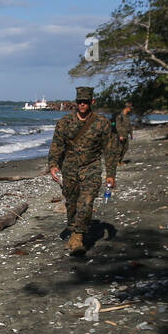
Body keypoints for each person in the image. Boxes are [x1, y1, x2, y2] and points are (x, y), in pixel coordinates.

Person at [46, 86, 118, 257]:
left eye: (86, 102)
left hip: (91, 168)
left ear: (92, 102)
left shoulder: (102, 123)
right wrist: (53, 165)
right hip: (69, 168)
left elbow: (110, 149)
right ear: (76, 103)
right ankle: (73, 231)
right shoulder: (65, 122)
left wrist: (111, 174)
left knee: (86, 202)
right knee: (71, 204)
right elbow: (56, 145)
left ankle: (78, 237)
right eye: (80, 102)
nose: (82, 105)